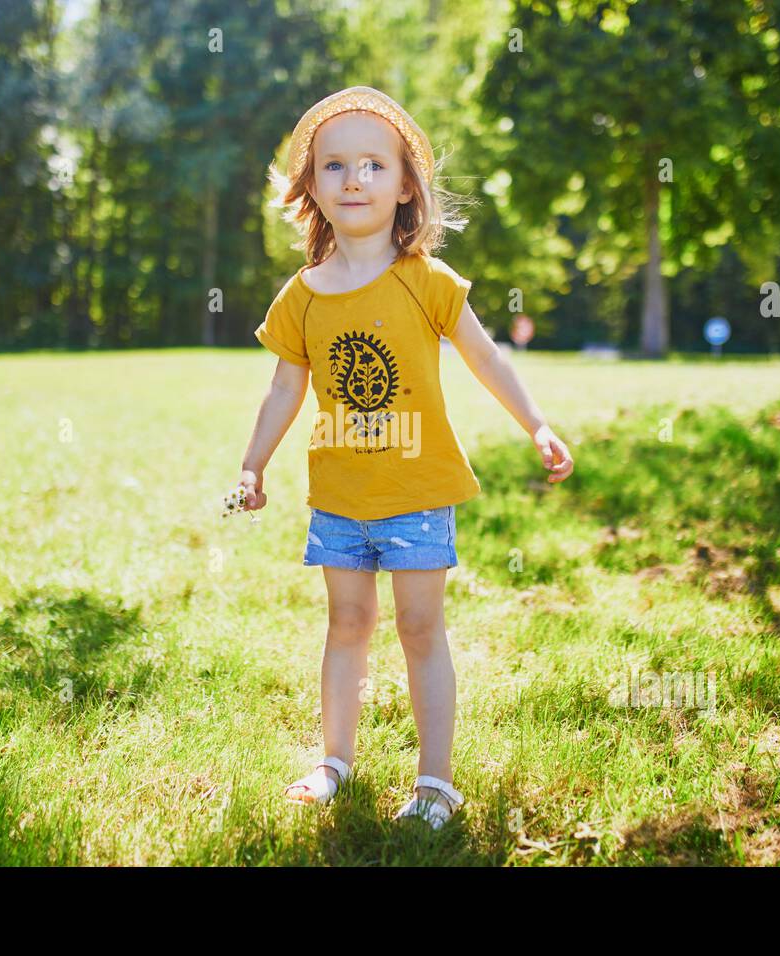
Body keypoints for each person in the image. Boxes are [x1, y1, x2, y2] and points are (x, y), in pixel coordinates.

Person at [238, 86, 574, 830]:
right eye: (334, 166)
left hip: (419, 494)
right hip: (339, 499)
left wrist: (537, 425)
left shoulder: (427, 281)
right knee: (346, 626)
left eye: (372, 164)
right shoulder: (302, 296)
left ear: (404, 186)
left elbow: (487, 359)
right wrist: (253, 463)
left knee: (421, 630)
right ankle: (334, 761)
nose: (353, 179)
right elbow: (282, 389)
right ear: (311, 188)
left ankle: (435, 784)